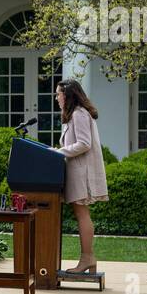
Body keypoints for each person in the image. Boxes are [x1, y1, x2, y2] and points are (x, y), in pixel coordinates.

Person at [55, 78, 110, 275]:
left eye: (58, 94)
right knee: (81, 214)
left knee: (82, 214)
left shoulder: (79, 114)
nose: (56, 98)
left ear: (67, 95)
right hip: (78, 171)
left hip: (81, 173)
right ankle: (89, 260)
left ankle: (87, 258)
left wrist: (59, 152)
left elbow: (84, 143)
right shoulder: (76, 114)